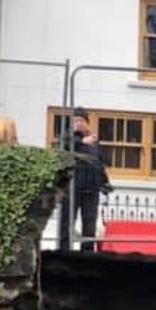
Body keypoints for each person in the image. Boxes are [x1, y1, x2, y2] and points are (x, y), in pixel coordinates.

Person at [68, 108, 112, 252]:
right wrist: (82, 142)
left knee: (90, 225)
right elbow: (67, 148)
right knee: (68, 223)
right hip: (72, 189)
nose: (77, 124)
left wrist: (104, 182)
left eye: (80, 121)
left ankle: (86, 255)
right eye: (74, 121)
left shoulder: (94, 141)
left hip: (91, 189)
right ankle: (65, 253)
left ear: (87, 123)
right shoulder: (68, 138)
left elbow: (99, 164)